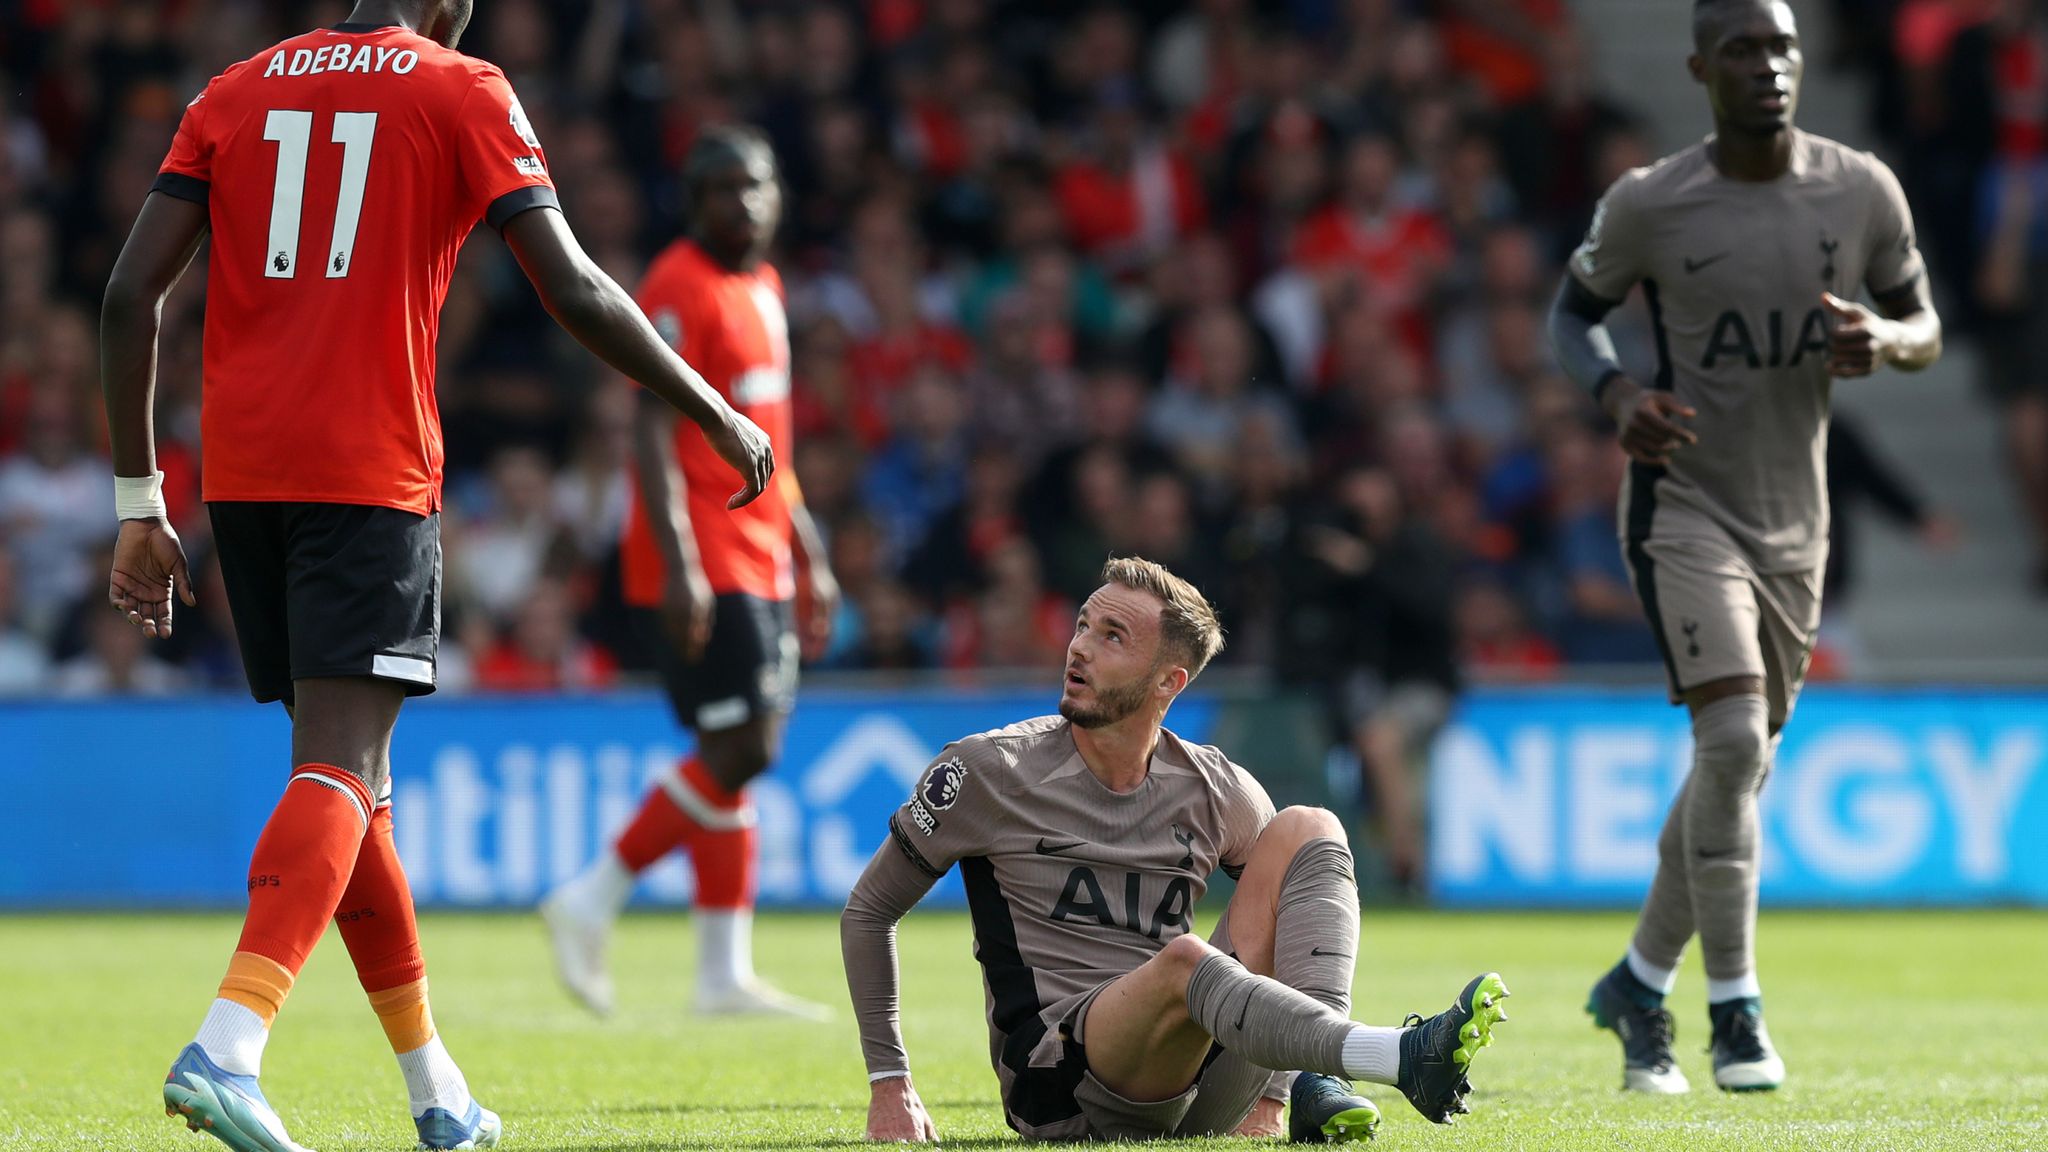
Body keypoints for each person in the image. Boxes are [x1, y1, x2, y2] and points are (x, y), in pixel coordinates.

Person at [101, 4, 774, 1150]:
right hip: (367, 472)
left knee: (360, 794)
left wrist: (137, 503)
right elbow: (573, 288)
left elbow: (129, 298)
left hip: (244, 479)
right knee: (340, 771)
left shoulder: (235, 88)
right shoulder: (462, 86)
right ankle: (230, 1044)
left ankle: (436, 1090)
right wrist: (707, 405)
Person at [1546, 0, 1941, 1096]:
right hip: (1682, 505)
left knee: (1737, 765)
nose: (1766, 66)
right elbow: (1564, 318)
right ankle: (1733, 1014)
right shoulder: (1648, 202)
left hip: (1794, 529)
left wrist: (1888, 339)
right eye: (1740, 49)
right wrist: (1615, 389)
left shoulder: (1858, 188)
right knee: (1728, 747)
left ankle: (1635, 982)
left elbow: (1924, 325)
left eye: (1780, 46)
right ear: (1696, 68)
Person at [841, 557, 1509, 1145]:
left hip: (1193, 1076)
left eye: (1112, 637)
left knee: (1308, 827)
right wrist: (889, 1078)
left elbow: (1290, 912)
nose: (1079, 649)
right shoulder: (988, 770)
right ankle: (1395, 1056)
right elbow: (869, 911)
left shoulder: (1212, 785)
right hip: (1058, 1084)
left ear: (1169, 683)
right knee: (1183, 961)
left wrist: (1266, 1092)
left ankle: (1304, 1086)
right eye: (1082, 625)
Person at [542, 127, 838, 1021]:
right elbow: (652, 427)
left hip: (762, 549)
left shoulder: (766, 287)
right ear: (695, 201)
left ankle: (722, 975)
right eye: (722, 189)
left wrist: (810, 551)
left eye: (755, 187)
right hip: (705, 554)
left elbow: (773, 446)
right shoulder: (678, 284)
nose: (740, 204)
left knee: (737, 755)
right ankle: (591, 897)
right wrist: (678, 564)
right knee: (745, 748)